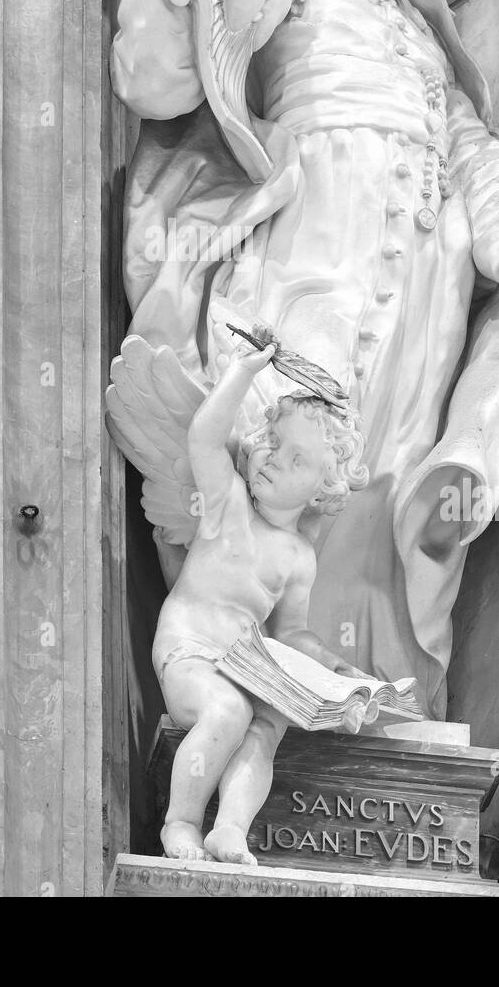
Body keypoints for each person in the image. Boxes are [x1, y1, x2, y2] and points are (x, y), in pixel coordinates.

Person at [112, 0, 499, 715]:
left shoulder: (414, 16)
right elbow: (157, 86)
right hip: (310, 247)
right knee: (295, 465)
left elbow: (470, 144)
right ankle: (250, 697)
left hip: (424, 273)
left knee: (391, 477)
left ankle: (379, 703)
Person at [154, 337, 368, 863]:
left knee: (268, 722)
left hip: (247, 664)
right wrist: (245, 371)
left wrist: (338, 671)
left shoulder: (298, 556)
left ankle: (230, 827)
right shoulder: (227, 503)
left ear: (322, 489)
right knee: (226, 710)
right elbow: (204, 438)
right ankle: (179, 822)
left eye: (296, 459)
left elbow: (290, 633)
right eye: (272, 439)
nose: (274, 457)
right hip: (191, 652)